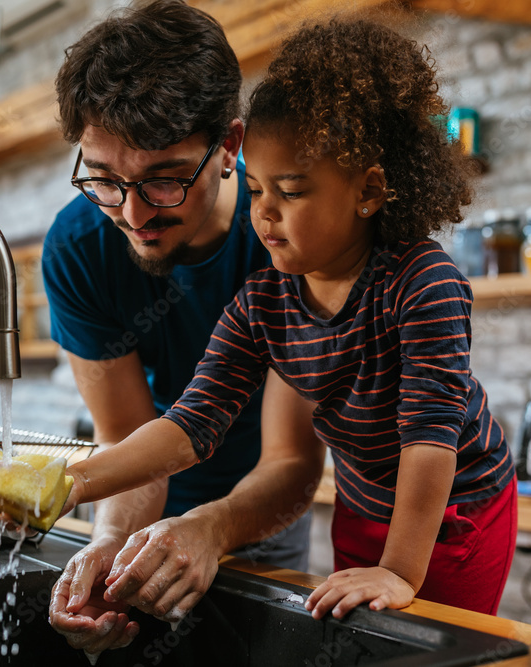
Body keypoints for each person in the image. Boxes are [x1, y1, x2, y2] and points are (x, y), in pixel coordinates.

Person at [60, 17, 518, 619]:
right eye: (255, 192)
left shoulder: (423, 284)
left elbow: (429, 439)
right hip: (363, 503)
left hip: (456, 508)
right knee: (362, 636)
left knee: (436, 644)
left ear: (369, 190)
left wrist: (400, 569)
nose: (265, 213)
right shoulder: (264, 302)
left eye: (292, 191)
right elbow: (189, 425)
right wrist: (67, 485)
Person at [39, 0, 322, 657]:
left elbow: (293, 460)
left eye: (164, 180)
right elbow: (124, 437)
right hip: (142, 495)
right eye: (104, 179)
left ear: (229, 145)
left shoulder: (288, 244)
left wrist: (211, 528)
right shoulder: (79, 247)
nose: (133, 212)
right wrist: (110, 540)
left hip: (259, 509)